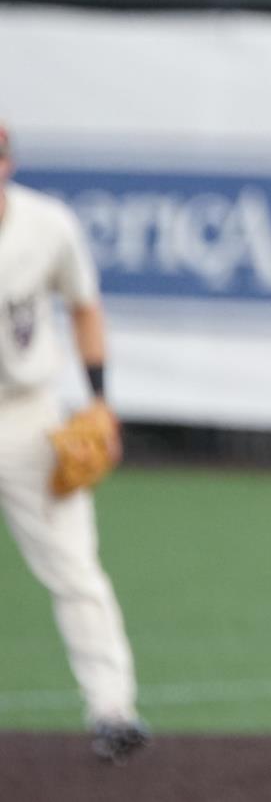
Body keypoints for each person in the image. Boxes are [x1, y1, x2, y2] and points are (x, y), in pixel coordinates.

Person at [0, 122, 149, 762]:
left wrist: (99, 399)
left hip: (26, 413)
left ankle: (112, 709)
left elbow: (84, 306)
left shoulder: (46, 224)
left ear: (6, 161)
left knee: (74, 568)